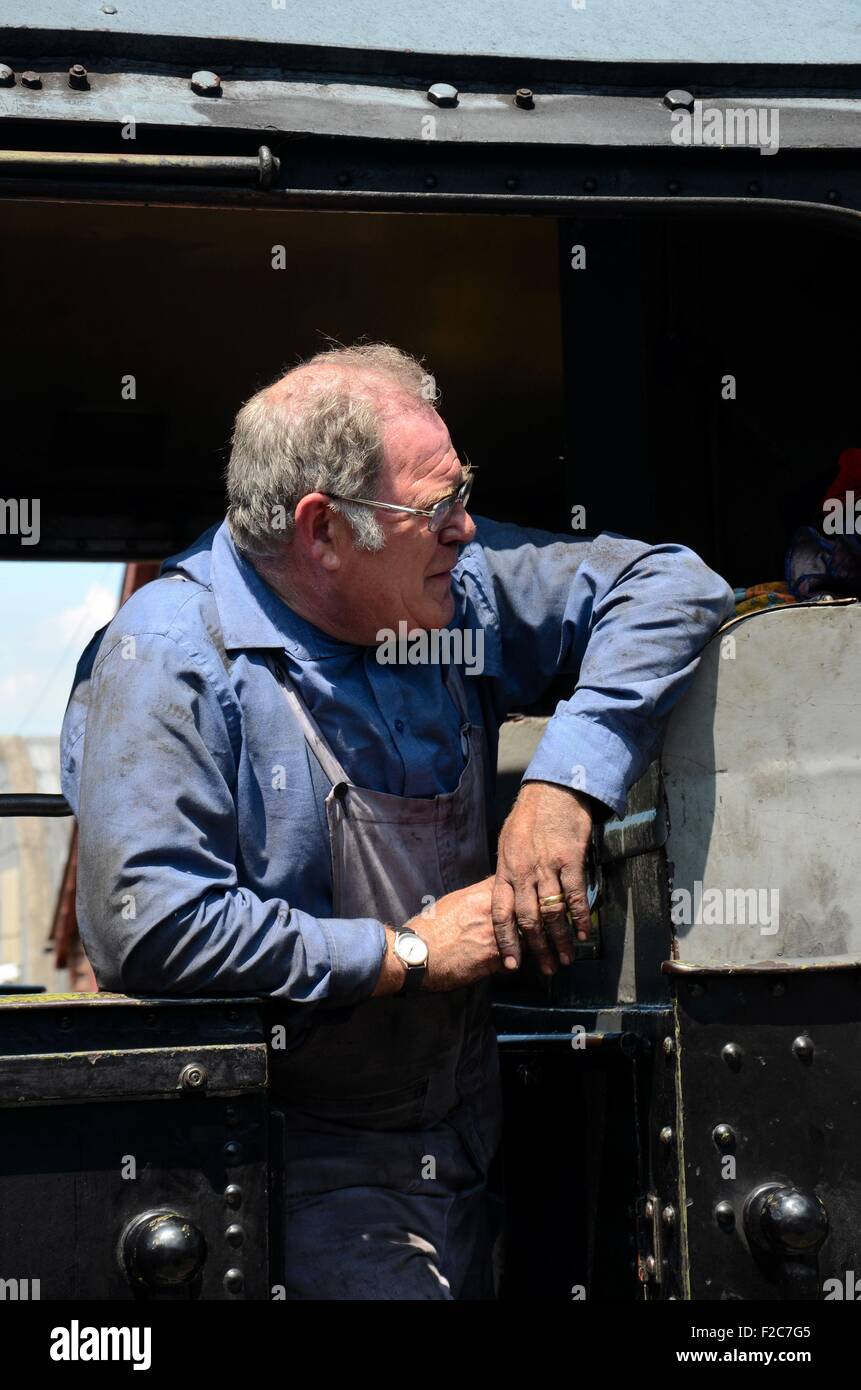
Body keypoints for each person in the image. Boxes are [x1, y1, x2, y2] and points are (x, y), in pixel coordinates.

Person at [60, 342, 734, 1299]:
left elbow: (675, 584)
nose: (465, 530)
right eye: (433, 509)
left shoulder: (449, 592)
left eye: (463, 493)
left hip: (474, 1139)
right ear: (323, 531)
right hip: (300, 1170)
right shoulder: (168, 657)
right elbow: (152, 926)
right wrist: (402, 955)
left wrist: (566, 781)